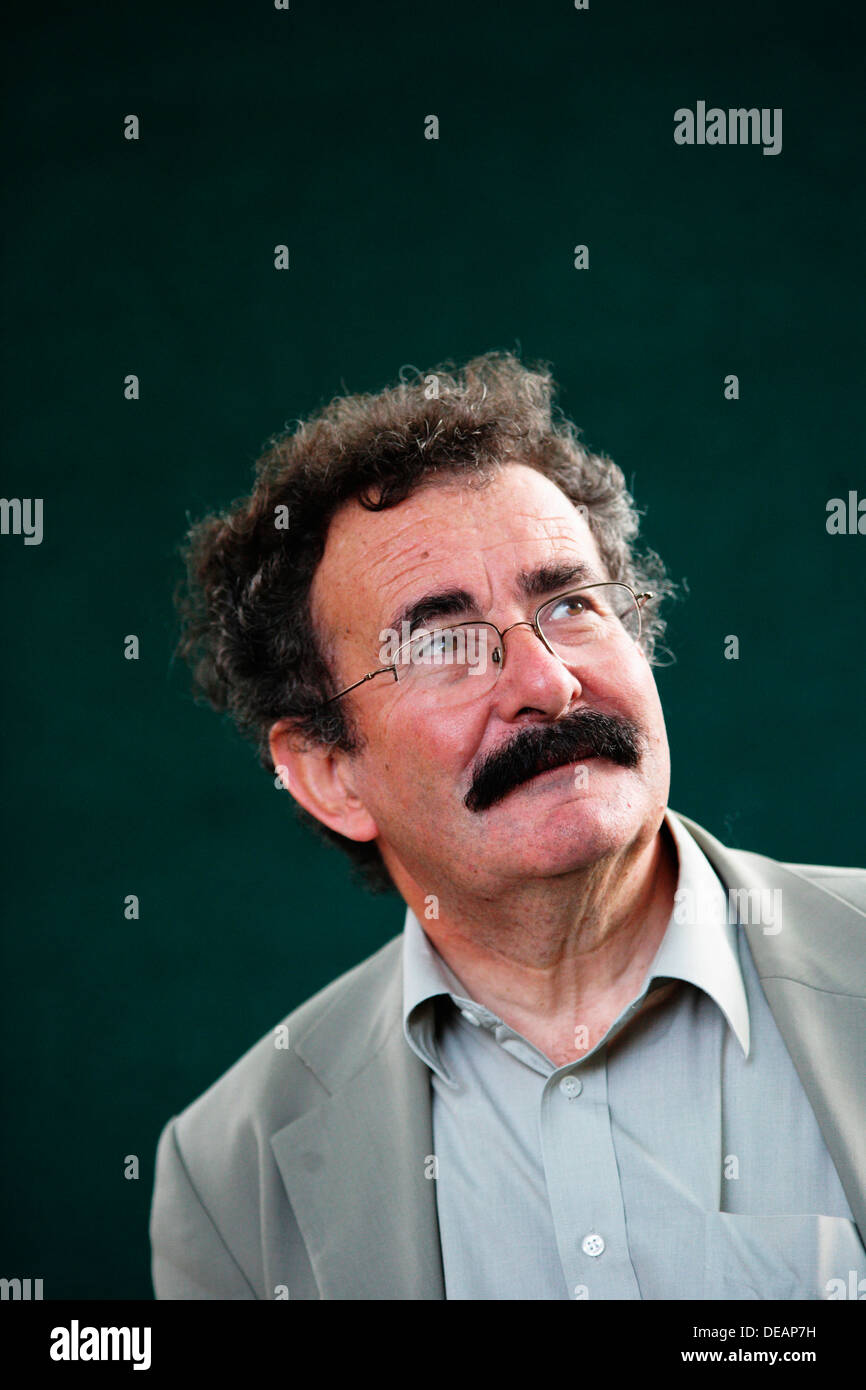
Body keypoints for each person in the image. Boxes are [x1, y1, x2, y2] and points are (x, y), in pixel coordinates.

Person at [150, 351, 866, 1300]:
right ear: (329, 776)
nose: (548, 684)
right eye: (444, 644)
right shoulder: (227, 1177)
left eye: (569, 604)